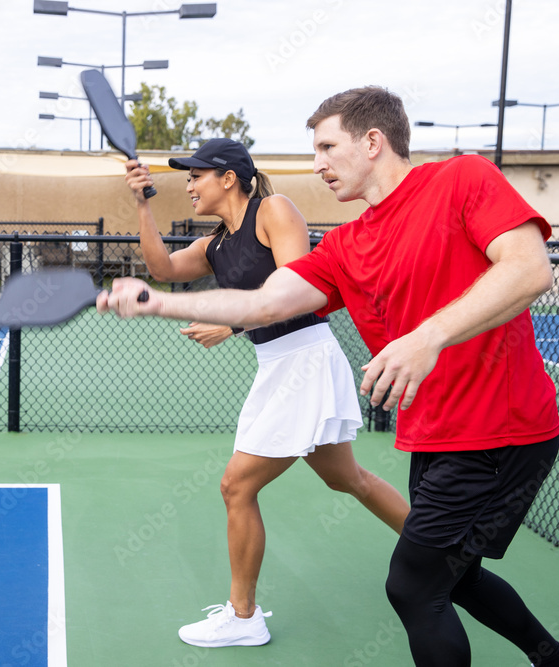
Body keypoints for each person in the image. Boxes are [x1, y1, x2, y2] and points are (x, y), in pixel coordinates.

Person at [99, 88, 559, 667]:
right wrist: (157, 302)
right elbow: (266, 304)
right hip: (432, 433)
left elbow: (530, 269)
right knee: (452, 577)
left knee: (413, 586)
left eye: (328, 147)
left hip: (501, 429)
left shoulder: (462, 178)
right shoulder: (348, 244)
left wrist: (426, 337)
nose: (317, 164)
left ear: (373, 142)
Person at [123, 137, 409, 648]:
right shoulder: (215, 245)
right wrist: (142, 202)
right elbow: (162, 270)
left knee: (237, 487)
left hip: (305, 358)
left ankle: (244, 616)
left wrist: (231, 326)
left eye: (196, 175)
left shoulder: (274, 210)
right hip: (276, 365)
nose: (189, 185)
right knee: (349, 480)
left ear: (228, 178)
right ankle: (444, 552)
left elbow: (298, 288)